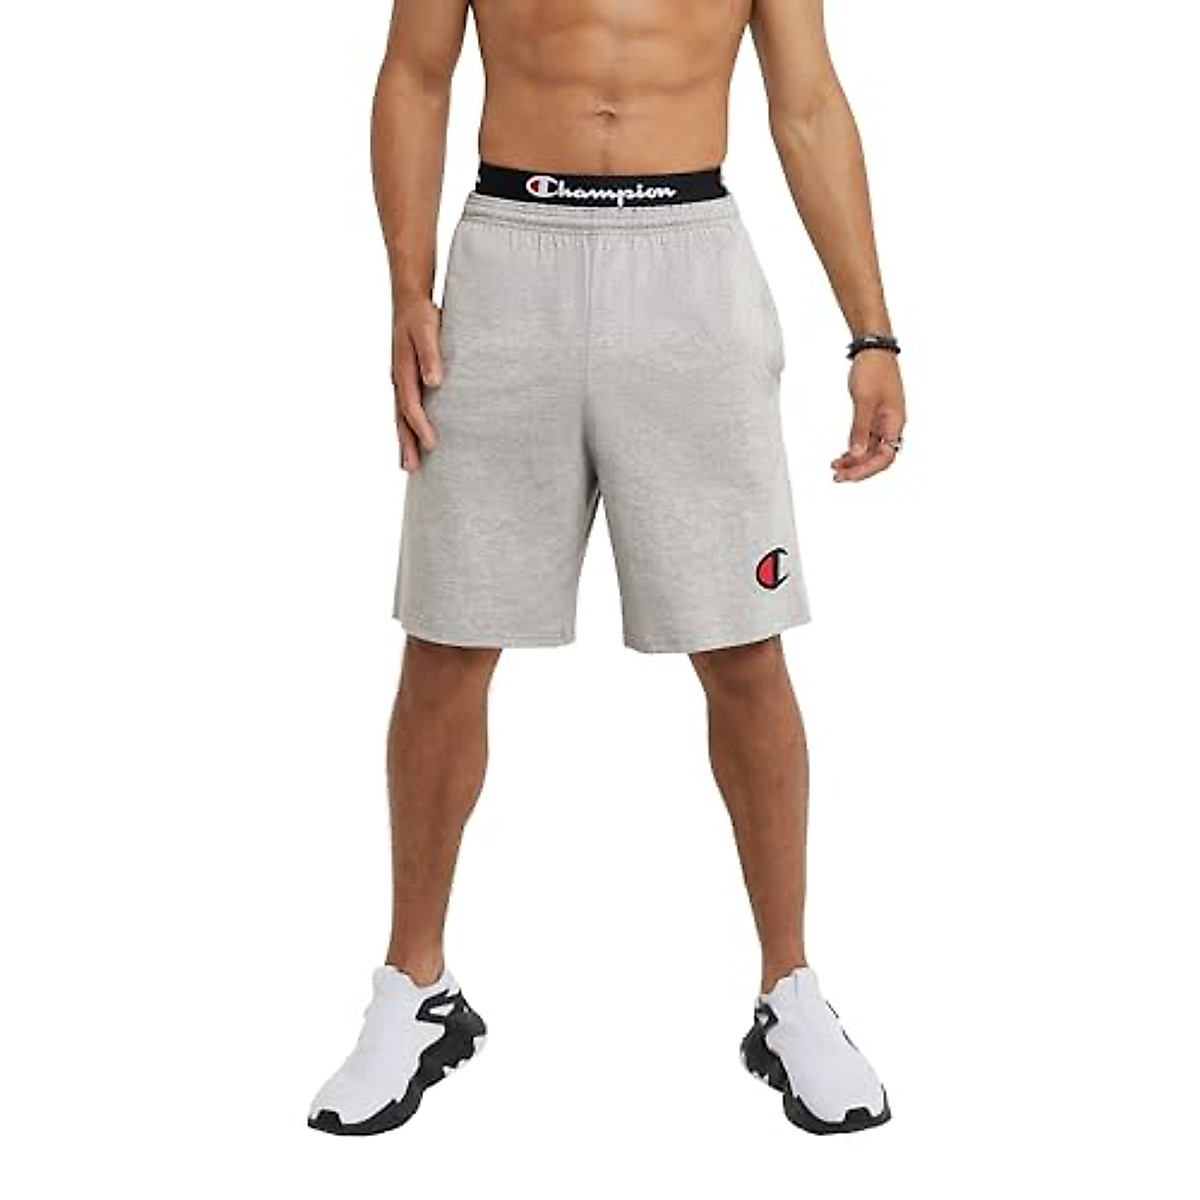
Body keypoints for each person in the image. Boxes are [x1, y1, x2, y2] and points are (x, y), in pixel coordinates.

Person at [308, 0, 906, 1138]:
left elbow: (809, 104)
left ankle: (790, 990)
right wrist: (406, 290)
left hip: (690, 265)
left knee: (744, 648)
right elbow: (415, 75)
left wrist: (871, 334)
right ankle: (413, 986)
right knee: (446, 637)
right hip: (507, 260)